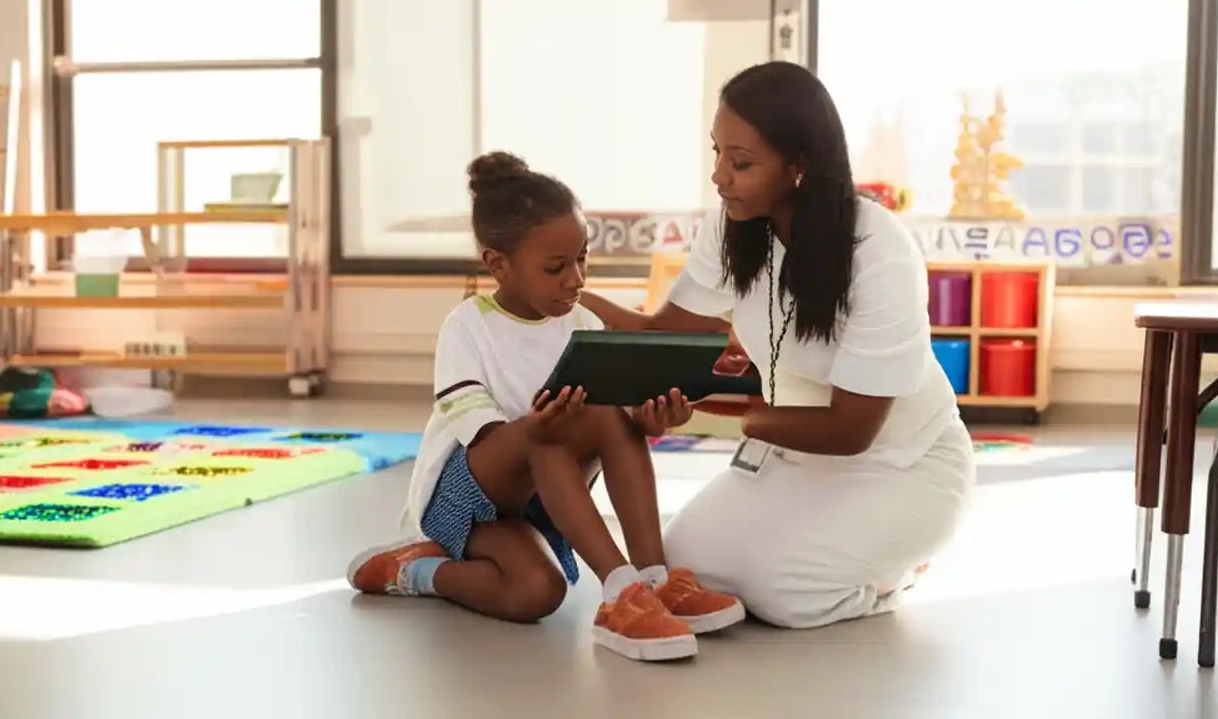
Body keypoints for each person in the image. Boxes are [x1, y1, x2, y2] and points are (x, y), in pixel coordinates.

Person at [581, 62, 975, 629]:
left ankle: (893, 576)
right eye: (716, 153)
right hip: (797, 451)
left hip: (903, 462)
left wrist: (730, 417)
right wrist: (567, 299)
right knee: (686, 563)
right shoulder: (734, 227)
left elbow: (851, 431)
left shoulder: (877, 249)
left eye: (740, 163)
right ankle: (843, 548)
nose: (719, 176)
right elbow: (663, 332)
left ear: (799, 167)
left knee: (784, 594)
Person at [346, 152, 745, 662]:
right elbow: (484, 434)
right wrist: (546, 424)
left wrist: (648, 418)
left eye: (583, 259)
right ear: (498, 264)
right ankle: (622, 590)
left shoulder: (582, 323)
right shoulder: (468, 326)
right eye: (556, 267)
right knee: (557, 426)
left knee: (539, 592)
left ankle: (651, 578)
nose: (575, 279)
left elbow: (615, 428)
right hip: (469, 491)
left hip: (531, 504)